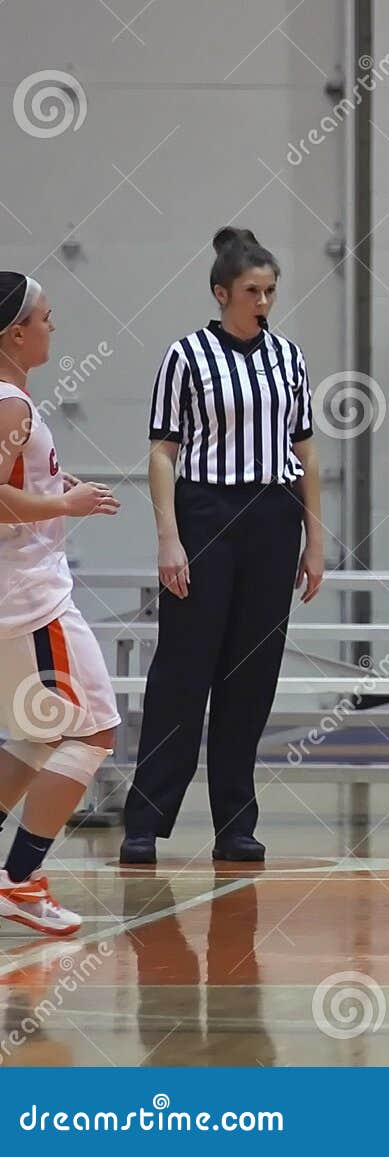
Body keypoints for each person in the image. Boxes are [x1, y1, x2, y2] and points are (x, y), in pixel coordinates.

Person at [121, 227, 325, 865]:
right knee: (183, 671)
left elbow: (305, 450)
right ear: (221, 293)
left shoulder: (289, 358)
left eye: (270, 291)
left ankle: (235, 823)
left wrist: (315, 540)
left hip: (273, 515)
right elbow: (162, 449)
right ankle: (146, 822)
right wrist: (168, 536)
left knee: (251, 677)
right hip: (205, 512)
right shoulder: (186, 357)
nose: (263, 301)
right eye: (251, 291)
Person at [0, 273, 121, 934]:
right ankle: (20, 878)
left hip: (24, 593)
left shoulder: (14, 402)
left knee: (36, 731)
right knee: (94, 727)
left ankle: (16, 875)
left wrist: (50, 484)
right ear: (16, 330)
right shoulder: (9, 404)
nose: (54, 326)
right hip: (31, 600)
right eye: (45, 317)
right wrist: (63, 503)